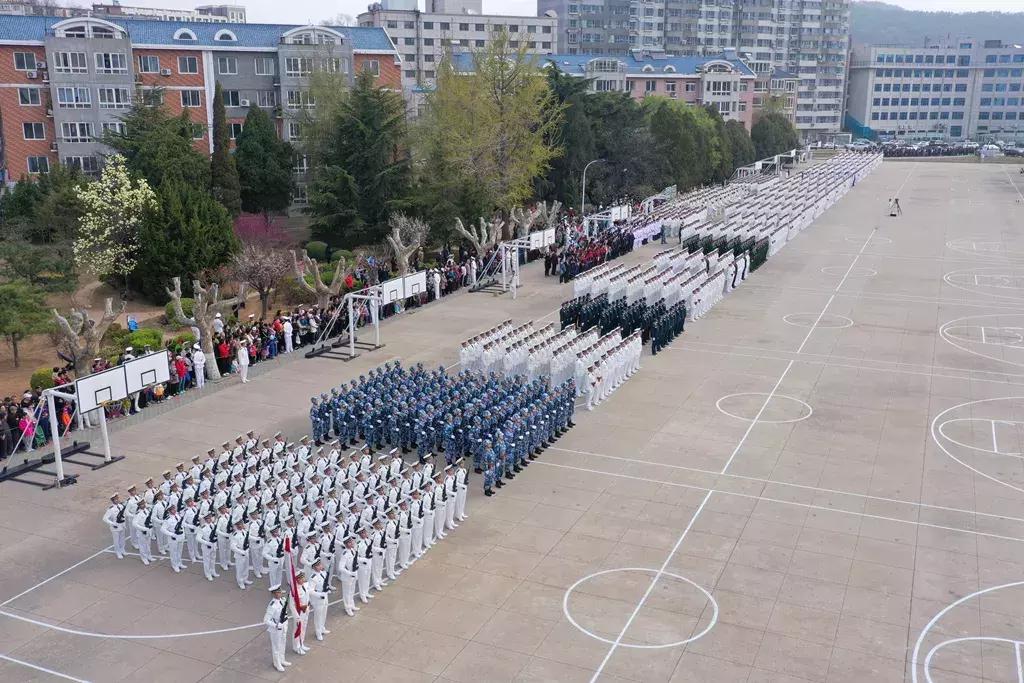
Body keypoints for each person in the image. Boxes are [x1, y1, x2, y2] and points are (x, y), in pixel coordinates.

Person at [263, 586, 291, 672]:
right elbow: (265, 620)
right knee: (276, 646)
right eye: (277, 592)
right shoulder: (272, 605)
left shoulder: (282, 600)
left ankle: (282, 660)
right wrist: (275, 625)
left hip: (284, 624)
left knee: (283, 642)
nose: (280, 593)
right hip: (276, 628)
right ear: (273, 594)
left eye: (280, 592)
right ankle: (277, 663)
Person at [308, 559, 331, 641]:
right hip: (318, 598)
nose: (321, 566)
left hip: (324, 596)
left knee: (324, 613)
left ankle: (322, 628)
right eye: (318, 565)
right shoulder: (313, 577)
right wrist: (319, 595)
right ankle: (318, 632)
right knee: (318, 616)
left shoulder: (322, 573)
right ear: (314, 567)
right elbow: (310, 591)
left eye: (320, 564)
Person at [102, 493, 127, 559]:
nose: (117, 500)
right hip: (115, 527)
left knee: (122, 539)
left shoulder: (121, 506)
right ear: (112, 500)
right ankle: (118, 552)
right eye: (115, 499)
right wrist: (112, 523)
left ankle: (122, 549)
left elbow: (123, 515)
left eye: (117, 498)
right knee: (116, 540)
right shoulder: (111, 509)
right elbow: (105, 518)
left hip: (122, 525)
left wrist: (124, 523)